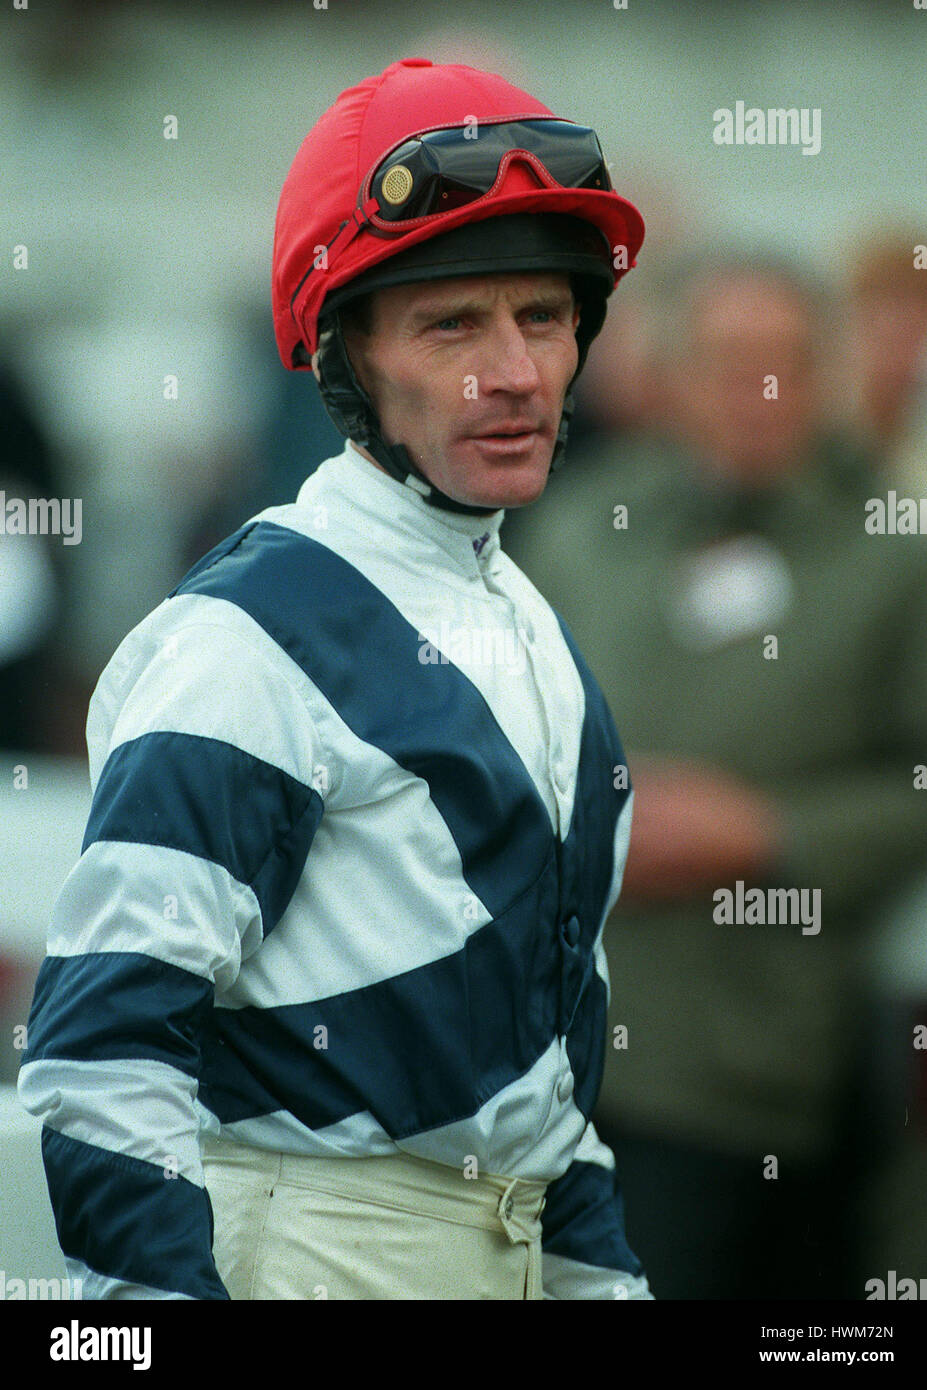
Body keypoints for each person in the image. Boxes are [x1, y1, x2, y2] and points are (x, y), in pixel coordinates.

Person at [17, 57, 653, 1301]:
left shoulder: (534, 631)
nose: (514, 372)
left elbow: (547, 1093)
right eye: (451, 323)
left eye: (542, 314)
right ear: (343, 358)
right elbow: (99, 1055)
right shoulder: (241, 640)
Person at [506, 250, 927, 1298]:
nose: (757, 394)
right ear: (665, 375)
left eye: (785, 363)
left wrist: (772, 835)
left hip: (755, 1055)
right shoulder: (579, 531)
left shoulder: (895, 557)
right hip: (540, 1050)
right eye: (725, 362)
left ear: (829, 375)